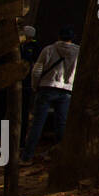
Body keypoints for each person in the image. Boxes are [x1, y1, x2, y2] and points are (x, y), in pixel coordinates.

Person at [21, 26, 79, 163]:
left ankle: (27, 156)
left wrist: (35, 85)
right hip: (66, 89)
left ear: (59, 36)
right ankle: (60, 155)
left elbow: (37, 70)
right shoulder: (78, 51)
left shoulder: (49, 49)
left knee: (37, 123)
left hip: (46, 87)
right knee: (61, 124)